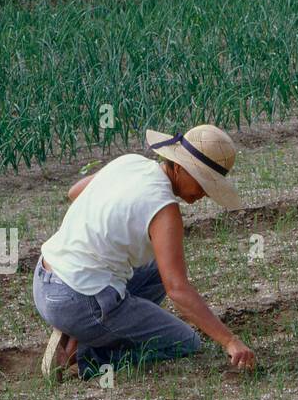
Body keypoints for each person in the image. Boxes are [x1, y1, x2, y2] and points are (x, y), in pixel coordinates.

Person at [33, 123, 256, 380]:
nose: (205, 194)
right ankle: (81, 355)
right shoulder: (165, 211)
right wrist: (230, 341)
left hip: (45, 280)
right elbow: (178, 290)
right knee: (186, 342)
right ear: (180, 168)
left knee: (155, 269)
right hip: (78, 302)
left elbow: (74, 193)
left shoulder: (130, 162)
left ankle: (82, 329)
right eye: (203, 183)